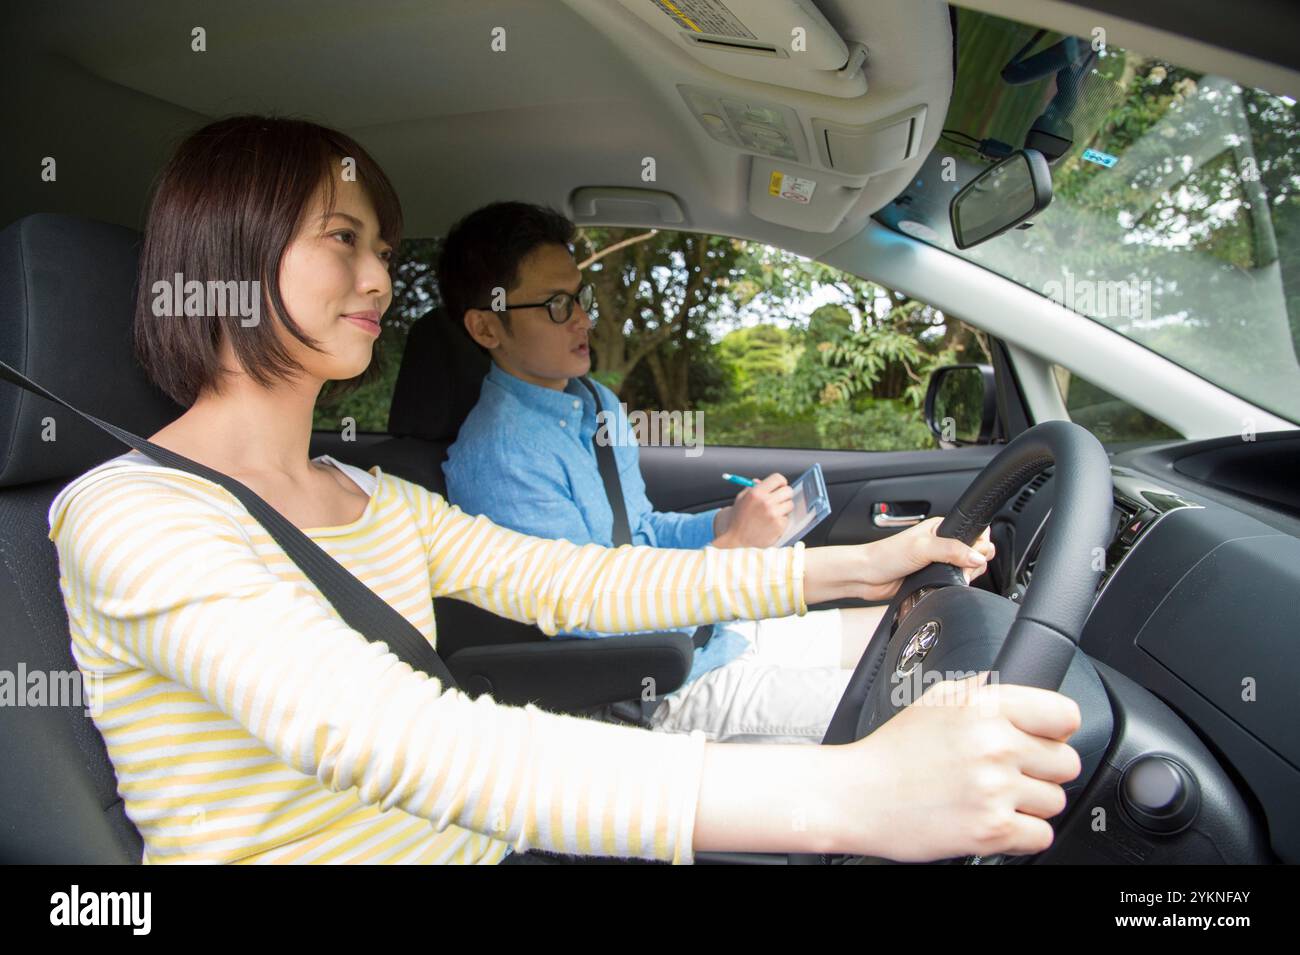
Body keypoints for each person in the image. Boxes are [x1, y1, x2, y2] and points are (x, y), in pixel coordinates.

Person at [47, 115, 1081, 865]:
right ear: (230, 253)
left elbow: (581, 581)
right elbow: (392, 735)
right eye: (342, 238)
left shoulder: (368, 494)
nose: (377, 277)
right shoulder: (131, 513)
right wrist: (848, 795)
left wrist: (862, 566)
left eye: (378, 243)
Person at [440, 201, 995, 743]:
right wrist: (731, 552)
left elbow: (643, 532)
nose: (585, 317)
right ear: (487, 328)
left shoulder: (594, 402)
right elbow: (590, 616)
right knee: (934, 705)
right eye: (558, 305)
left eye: (580, 296)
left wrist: (726, 523)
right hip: (652, 681)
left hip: (710, 631)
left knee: (919, 639)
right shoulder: (498, 457)